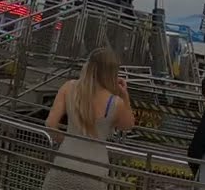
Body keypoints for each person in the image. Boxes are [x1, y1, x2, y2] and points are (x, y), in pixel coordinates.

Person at [41, 47, 136, 190]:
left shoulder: (69, 87)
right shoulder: (116, 103)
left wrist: (66, 141)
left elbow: (50, 123)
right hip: (95, 170)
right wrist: (125, 96)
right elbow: (128, 125)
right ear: (111, 73)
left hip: (65, 162)